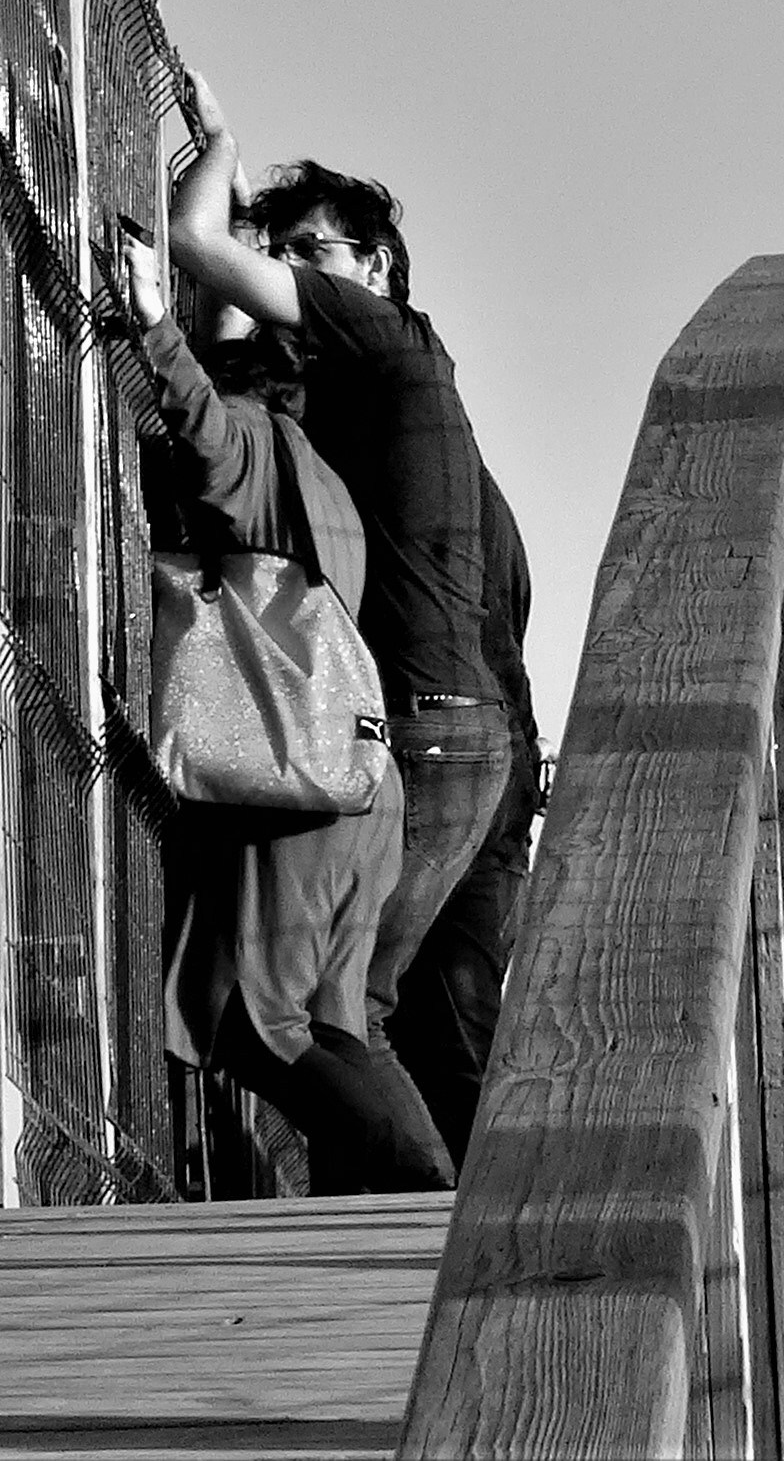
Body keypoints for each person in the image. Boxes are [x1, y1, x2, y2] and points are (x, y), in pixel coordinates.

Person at [164, 74, 520, 1065]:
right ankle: (404, 1209)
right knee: (356, 1006)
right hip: (427, 726)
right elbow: (225, 380)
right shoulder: (350, 395)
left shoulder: (388, 341)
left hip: (429, 726)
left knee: (345, 1003)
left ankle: (410, 1216)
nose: (285, 270)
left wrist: (222, 154)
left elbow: (200, 252)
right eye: (282, 256)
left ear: (376, 266)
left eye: (310, 253)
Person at [107, 228, 453, 1192]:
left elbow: (210, 443)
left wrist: (153, 328)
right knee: (334, 1021)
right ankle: (419, 1199)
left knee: (251, 1018)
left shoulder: (257, 437)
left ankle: (426, 1191)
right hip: (357, 777)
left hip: (295, 782)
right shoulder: (332, 480)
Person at [387, 467, 539, 1164]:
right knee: (457, 1025)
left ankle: (486, 1212)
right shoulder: (480, 496)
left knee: (437, 1028)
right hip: (502, 776)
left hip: (465, 764)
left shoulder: (441, 492)